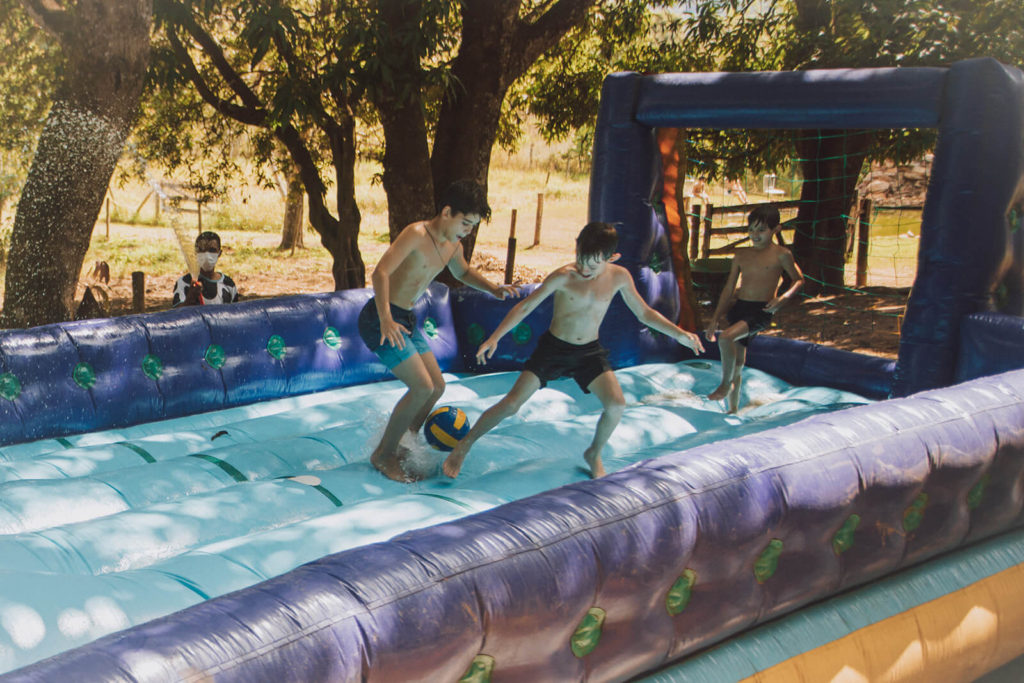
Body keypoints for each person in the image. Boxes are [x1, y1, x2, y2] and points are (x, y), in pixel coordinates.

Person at [443, 222, 705, 480]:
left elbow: (645, 313)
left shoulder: (619, 277)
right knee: (511, 404)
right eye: (580, 260)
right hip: (553, 349)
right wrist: (495, 337)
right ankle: (463, 446)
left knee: (616, 405)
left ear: (612, 258)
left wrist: (679, 333)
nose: (584, 269)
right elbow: (525, 307)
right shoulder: (563, 276)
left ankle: (594, 453)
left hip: (588, 352)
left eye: (592, 264)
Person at [360, 179, 519, 482]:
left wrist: (494, 289)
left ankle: (404, 443)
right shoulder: (416, 234)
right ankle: (384, 454)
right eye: (466, 223)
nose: (468, 231)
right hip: (381, 318)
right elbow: (380, 272)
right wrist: (384, 318)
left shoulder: (452, 245)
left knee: (437, 386)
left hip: (405, 318)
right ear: (447, 212)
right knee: (421, 387)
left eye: (473, 226)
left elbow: (462, 272)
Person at [705, 205, 803, 413]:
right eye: (751, 230)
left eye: (761, 230)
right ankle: (732, 410)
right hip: (740, 307)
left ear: (776, 229)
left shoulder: (782, 254)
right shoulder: (741, 255)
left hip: (762, 311)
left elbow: (798, 280)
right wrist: (715, 318)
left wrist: (782, 299)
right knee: (738, 363)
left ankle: (725, 384)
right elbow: (729, 288)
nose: (755, 235)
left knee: (725, 338)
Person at [171, 231, 239, 306]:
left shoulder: (228, 284)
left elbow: (235, 313)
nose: (207, 255)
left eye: (212, 250)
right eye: (202, 250)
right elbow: (177, 314)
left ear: (219, 253)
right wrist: (190, 298)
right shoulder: (184, 283)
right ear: (195, 253)